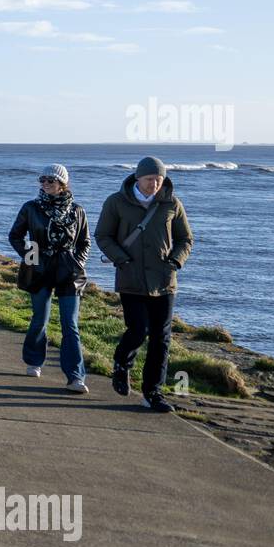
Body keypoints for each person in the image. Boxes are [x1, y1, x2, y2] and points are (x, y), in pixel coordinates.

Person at [94, 156, 194, 413]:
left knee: (161, 338)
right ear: (138, 178)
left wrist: (175, 261)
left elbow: (186, 239)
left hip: (164, 281)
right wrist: (121, 259)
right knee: (138, 331)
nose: (155, 184)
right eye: (150, 179)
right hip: (131, 279)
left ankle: (153, 392)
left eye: (159, 180)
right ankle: (122, 363)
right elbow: (103, 235)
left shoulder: (172, 203)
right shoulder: (116, 202)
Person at [8, 164, 90, 393]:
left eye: (50, 181)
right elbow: (15, 235)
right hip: (40, 269)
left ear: (62, 184)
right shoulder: (31, 208)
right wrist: (29, 255)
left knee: (69, 324)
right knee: (40, 319)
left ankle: (75, 376)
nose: (45, 185)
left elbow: (85, 242)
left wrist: (78, 262)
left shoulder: (77, 210)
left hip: (68, 272)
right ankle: (34, 361)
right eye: (42, 181)